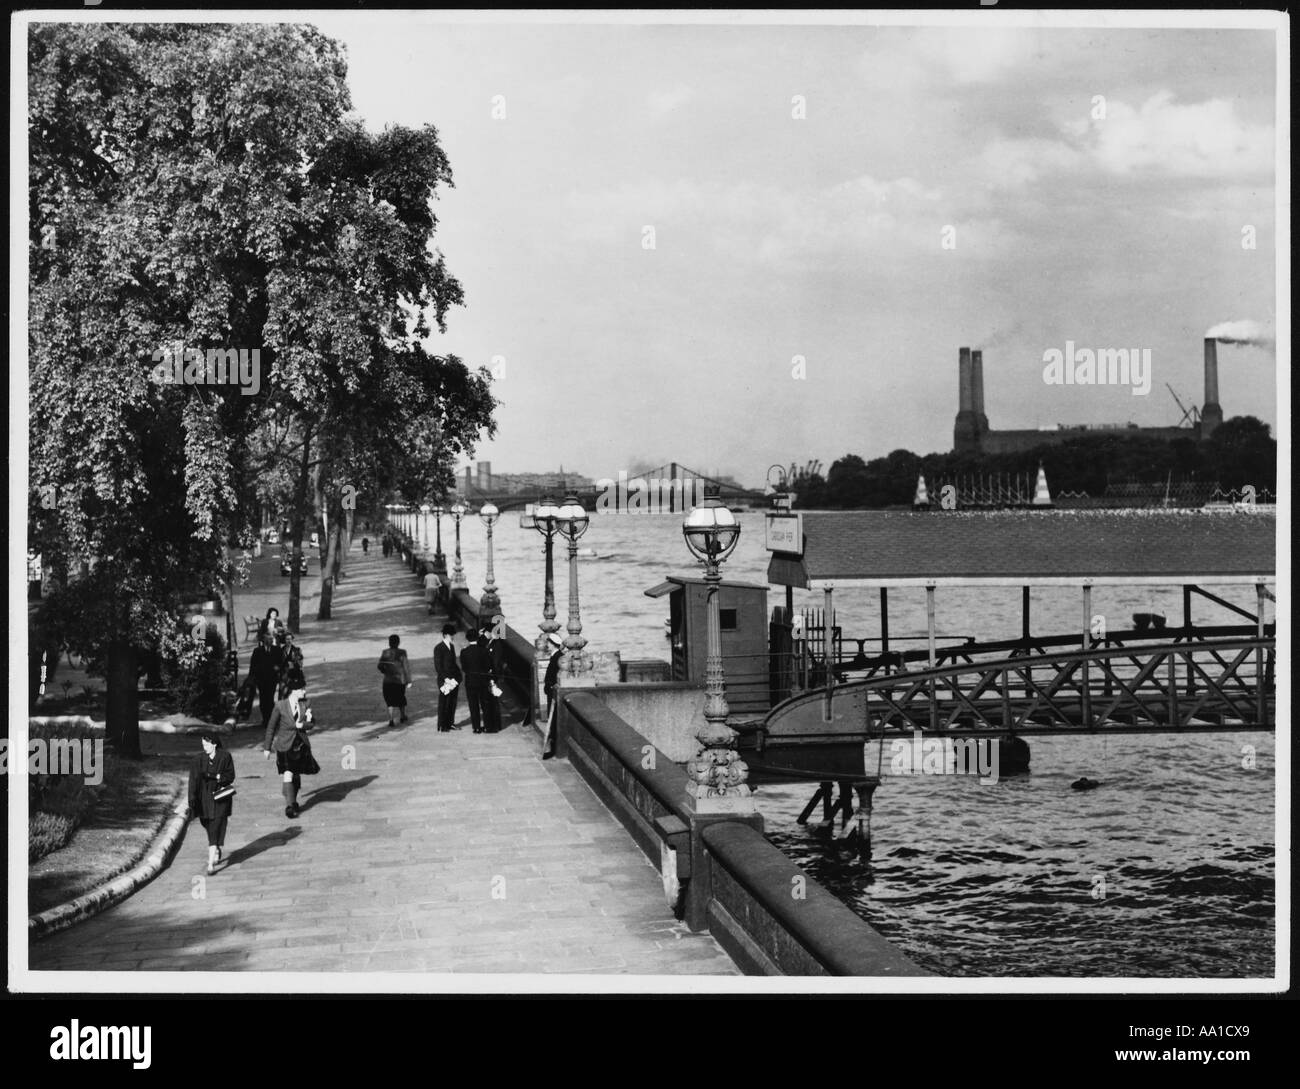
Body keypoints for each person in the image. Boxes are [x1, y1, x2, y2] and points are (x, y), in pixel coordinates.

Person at [262, 670, 317, 818]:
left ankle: (291, 796)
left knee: (296, 775)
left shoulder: (306, 703)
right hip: (284, 744)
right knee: (288, 773)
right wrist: (267, 747)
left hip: (300, 744)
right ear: (294, 691)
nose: (304, 691)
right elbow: (271, 727)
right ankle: (290, 806)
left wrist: (303, 725)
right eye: (302, 689)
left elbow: (312, 724)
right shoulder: (280, 706)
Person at [187, 731, 235, 874]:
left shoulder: (225, 757)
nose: (205, 747)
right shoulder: (198, 760)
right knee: (207, 824)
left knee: (215, 826)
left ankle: (210, 864)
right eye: (203, 745)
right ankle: (216, 847)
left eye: (207, 745)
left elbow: (230, 776)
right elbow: (193, 781)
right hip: (204, 799)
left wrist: (217, 777)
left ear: (214, 744)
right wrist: (192, 799)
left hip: (220, 798)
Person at [459, 627, 500, 734]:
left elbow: (464, 668)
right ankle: (487, 726)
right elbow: (488, 666)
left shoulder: (464, 652)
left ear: (468, 639)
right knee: (485, 704)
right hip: (482, 681)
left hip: (470, 682)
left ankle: (476, 727)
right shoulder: (484, 650)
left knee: (473, 705)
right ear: (477, 638)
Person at [247, 630, 285, 729]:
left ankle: (271, 720)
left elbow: (282, 663)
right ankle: (265, 719)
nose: (270, 640)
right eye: (268, 638)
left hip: (272, 679)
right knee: (263, 699)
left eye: (271, 638)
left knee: (270, 699)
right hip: (261, 679)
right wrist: (252, 678)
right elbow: (253, 666)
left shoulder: (277, 650)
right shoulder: (257, 651)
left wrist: (278, 667)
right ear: (263, 640)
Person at [378, 634, 412, 726]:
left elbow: (380, 666)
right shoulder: (402, 652)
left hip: (388, 681)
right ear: (398, 642)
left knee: (389, 700)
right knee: (401, 697)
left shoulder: (385, 652)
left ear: (389, 643)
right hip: (400, 681)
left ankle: (391, 719)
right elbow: (406, 667)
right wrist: (409, 680)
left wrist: (385, 671)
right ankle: (402, 716)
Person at [433, 624, 462, 732]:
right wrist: (445, 679)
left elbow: (453, 663)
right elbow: (438, 666)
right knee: (444, 702)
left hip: (453, 680)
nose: (453, 636)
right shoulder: (438, 648)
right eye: (451, 635)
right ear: (445, 635)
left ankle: (450, 723)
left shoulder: (452, 646)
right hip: (444, 680)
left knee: (452, 702)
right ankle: (441, 725)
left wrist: (457, 677)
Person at [541, 644, 564, 760]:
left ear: (553, 644)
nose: (547, 646)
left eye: (549, 644)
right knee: (552, 720)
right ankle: (552, 747)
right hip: (551, 691)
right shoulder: (554, 655)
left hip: (553, 692)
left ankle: (553, 749)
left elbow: (554, 675)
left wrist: (550, 686)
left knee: (554, 720)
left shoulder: (559, 657)